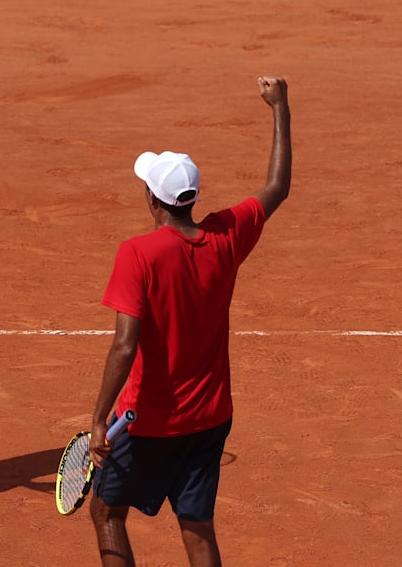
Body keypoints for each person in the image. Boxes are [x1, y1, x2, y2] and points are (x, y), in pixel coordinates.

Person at [87, 76, 292, 566]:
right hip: (212, 417)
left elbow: (124, 346)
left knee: (107, 512)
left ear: (154, 201)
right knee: (197, 527)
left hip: (147, 420)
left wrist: (99, 419)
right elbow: (278, 186)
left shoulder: (138, 253)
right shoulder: (225, 236)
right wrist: (280, 107)